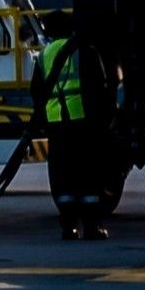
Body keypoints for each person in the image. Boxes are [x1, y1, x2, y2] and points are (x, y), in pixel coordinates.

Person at [36, 26, 114, 240]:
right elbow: (100, 86)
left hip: (57, 126)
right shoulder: (86, 52)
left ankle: (68, 227)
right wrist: (106, 119)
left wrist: (44, 121)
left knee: (63, 177)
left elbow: (37, 91)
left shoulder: (44, 55)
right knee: (88, 175)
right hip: (84, 124)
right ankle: (91, 226)